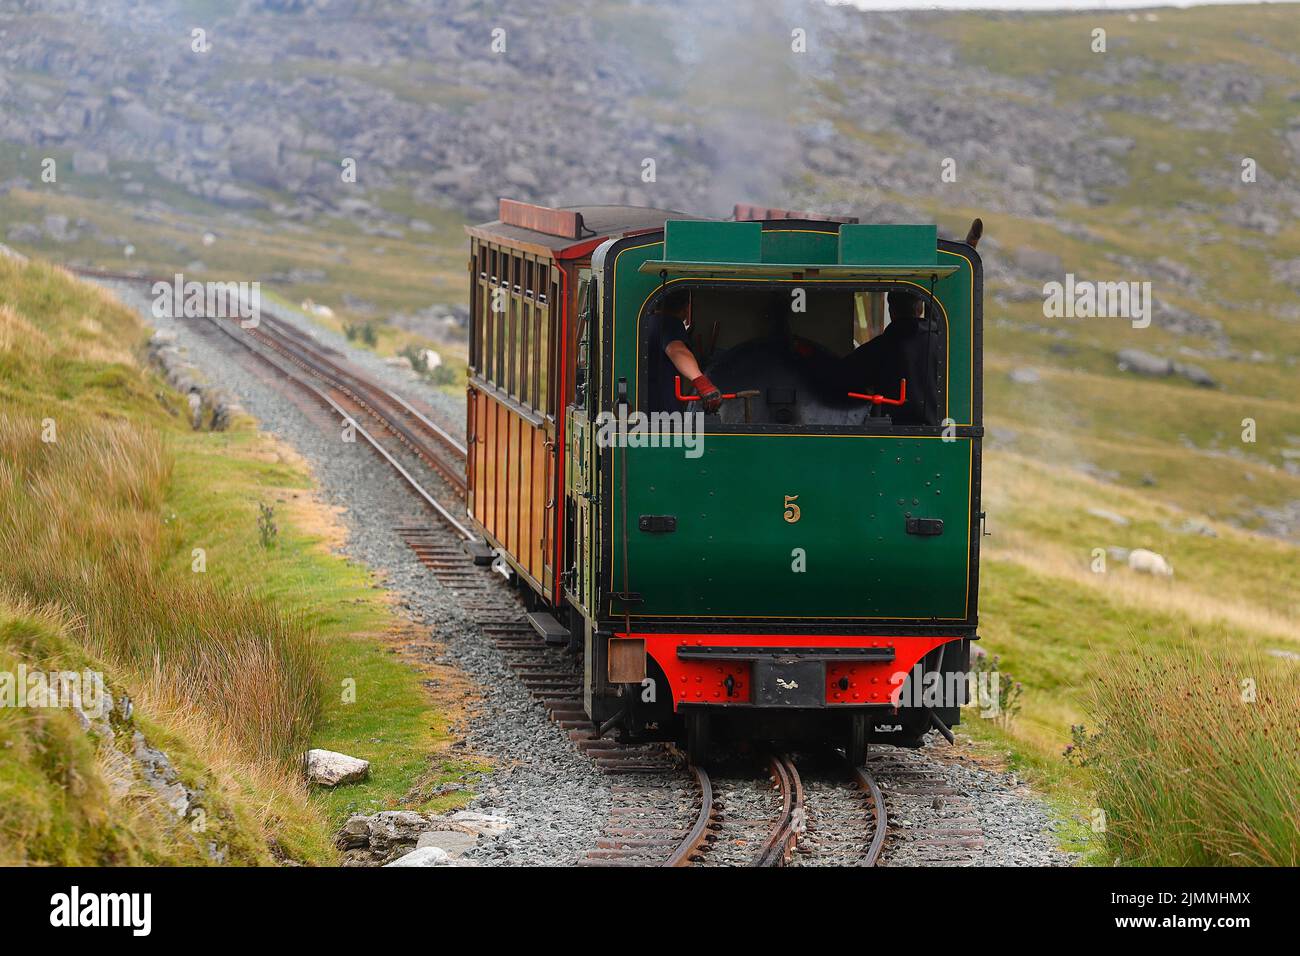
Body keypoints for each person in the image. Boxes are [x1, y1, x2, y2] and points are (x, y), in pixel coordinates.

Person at [834, 289, 939, 425]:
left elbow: (843, 376)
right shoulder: (942, 345)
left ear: (891, 311)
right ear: (919, 308)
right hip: (935, 431)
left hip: (890, 432)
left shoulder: (878, 347)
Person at [645, 289, 723, 413]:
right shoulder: (669, 323)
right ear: (687, 308)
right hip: (663, 407)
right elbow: (677, 350)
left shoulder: (646, 322)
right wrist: (704, 385)